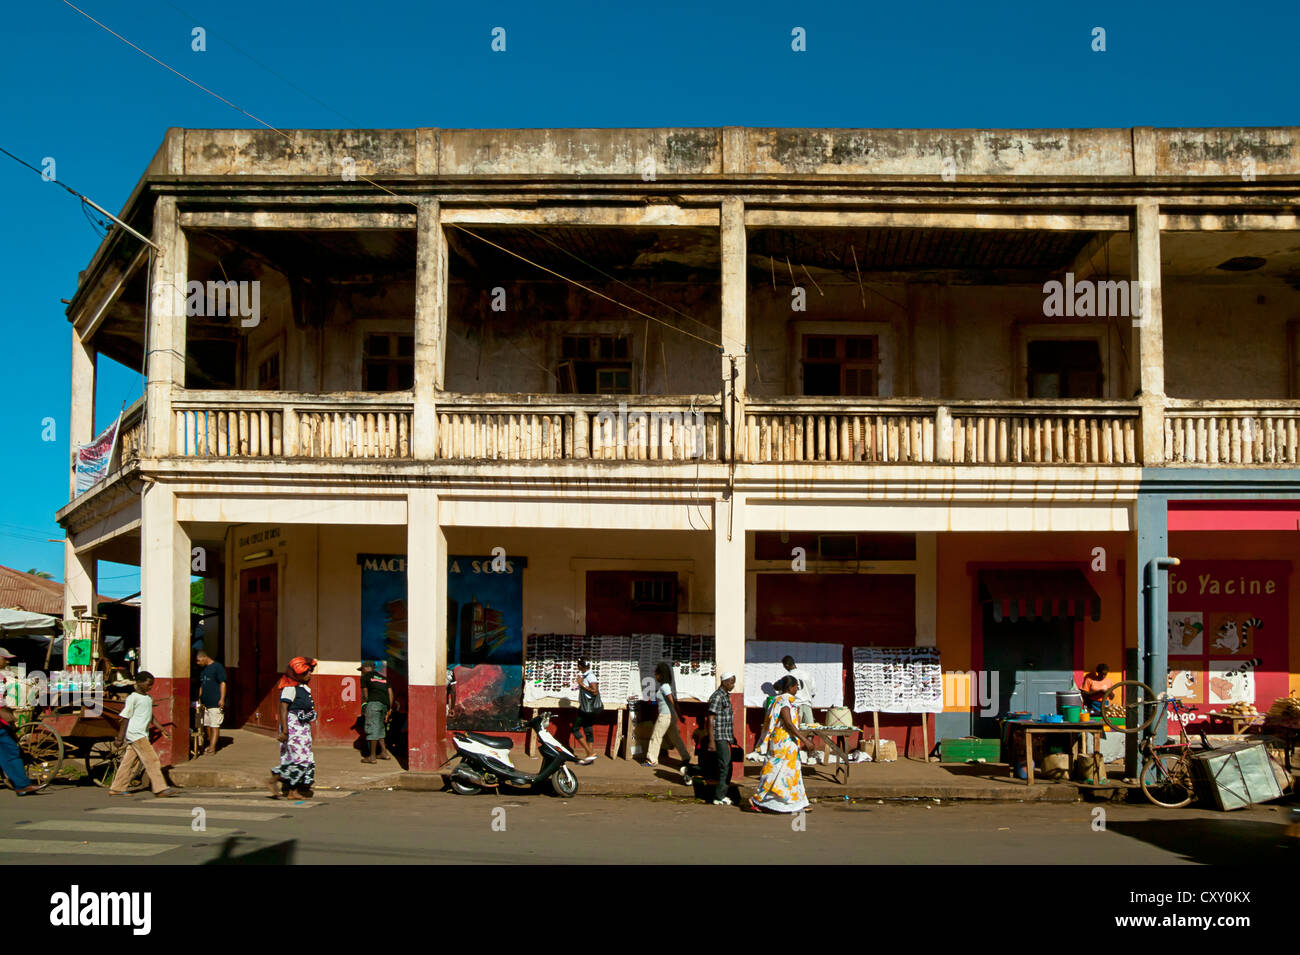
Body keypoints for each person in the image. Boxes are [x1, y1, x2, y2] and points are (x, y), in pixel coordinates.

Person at [109, 671, 180, 797]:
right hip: (136, 734)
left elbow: (150, 717)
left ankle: (117, 788)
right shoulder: (133, 698)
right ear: (139, 683)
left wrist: (162, 729)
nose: (150, 687)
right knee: (152, 760)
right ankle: (160, 788)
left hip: (141, 734)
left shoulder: (148, 698)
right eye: (148, 684)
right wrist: (119, 738)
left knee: (129, 762)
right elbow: (125, 718)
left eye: (151, 685)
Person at [748, 675, 810, 814]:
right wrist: (805, 740)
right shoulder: (784, 701)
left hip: (787, 742)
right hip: (783, 743)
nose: (797, 689)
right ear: (790, 687)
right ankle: (756, 798)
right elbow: (788, 723)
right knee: (774, 771)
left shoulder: (781, 701)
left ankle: (797, 802)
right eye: (796, 687)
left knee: (790, 772)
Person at [268, 657, 318, 798]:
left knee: (299, 759)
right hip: (293, 727)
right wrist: (285, 731)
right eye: (306, 672)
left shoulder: (302, 688)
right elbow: (283, 708)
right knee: (299, 759)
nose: (310, 675)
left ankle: (292, 791)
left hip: (301, 728)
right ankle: (275, 779)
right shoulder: (289, 688)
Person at [0, 648, 44, 795]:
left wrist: (8, 715)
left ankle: (22, 784)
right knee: (10, 751)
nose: (7, 661)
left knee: (11, 751)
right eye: (4, 658)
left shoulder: (2, 677)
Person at [643, 662, 692, 782]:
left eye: (656, 673)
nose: (655, 675)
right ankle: (685, 756)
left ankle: (652, 759)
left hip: (665, 716)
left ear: (661, 674)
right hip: (670, 715)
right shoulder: (665, 686)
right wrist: (679, 715)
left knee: (656, 736)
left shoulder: (665, 687)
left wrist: (679, 714)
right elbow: (670, 701)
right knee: (675, 738)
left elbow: (672, 700)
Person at [707, 672, 737, 805]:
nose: (733, 685)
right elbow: (711, 719)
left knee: (726, 765)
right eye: (731, 682)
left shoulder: (725, 696)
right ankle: (719, 796)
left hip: (726, 736)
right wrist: (711, 740)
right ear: (724, 682)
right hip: (719, 736)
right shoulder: (717, 697)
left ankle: (722, 793)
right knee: (725, 765)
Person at [359, 660, 393, 764]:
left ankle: (372, 757)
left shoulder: (365, 677)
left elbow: (365, 694)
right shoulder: (384, 678)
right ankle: (384, 753)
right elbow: (390, 693)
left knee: (372, 729)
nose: (362, 672)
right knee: (380, 729)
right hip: (384, 705)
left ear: (366, 668)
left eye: (362, 670)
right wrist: (389, 708)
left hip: (373, 704)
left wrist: (366, 704)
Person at [195, 650, 226, 755]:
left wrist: (222, 698)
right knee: (207, 725)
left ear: (204, 658)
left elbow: (223, 683)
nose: (198, 663)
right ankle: (210, 744)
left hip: (215, 701)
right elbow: (202, 685)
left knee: (215, 725)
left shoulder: (218, 667)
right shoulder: (204, 670)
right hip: (205, 703)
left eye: (199, 661)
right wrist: (199, 698)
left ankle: (213, 747)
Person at [571, 657, 599, 765]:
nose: (578, 667)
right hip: (587, 707)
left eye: (578, 665)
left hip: (586, 708)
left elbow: (595, 691)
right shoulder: (587, 675)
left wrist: (581, 684)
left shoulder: (590, 676)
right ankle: (589, 758)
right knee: (588, 730)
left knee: (575, 729)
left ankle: (590, 752)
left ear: (581, 666)